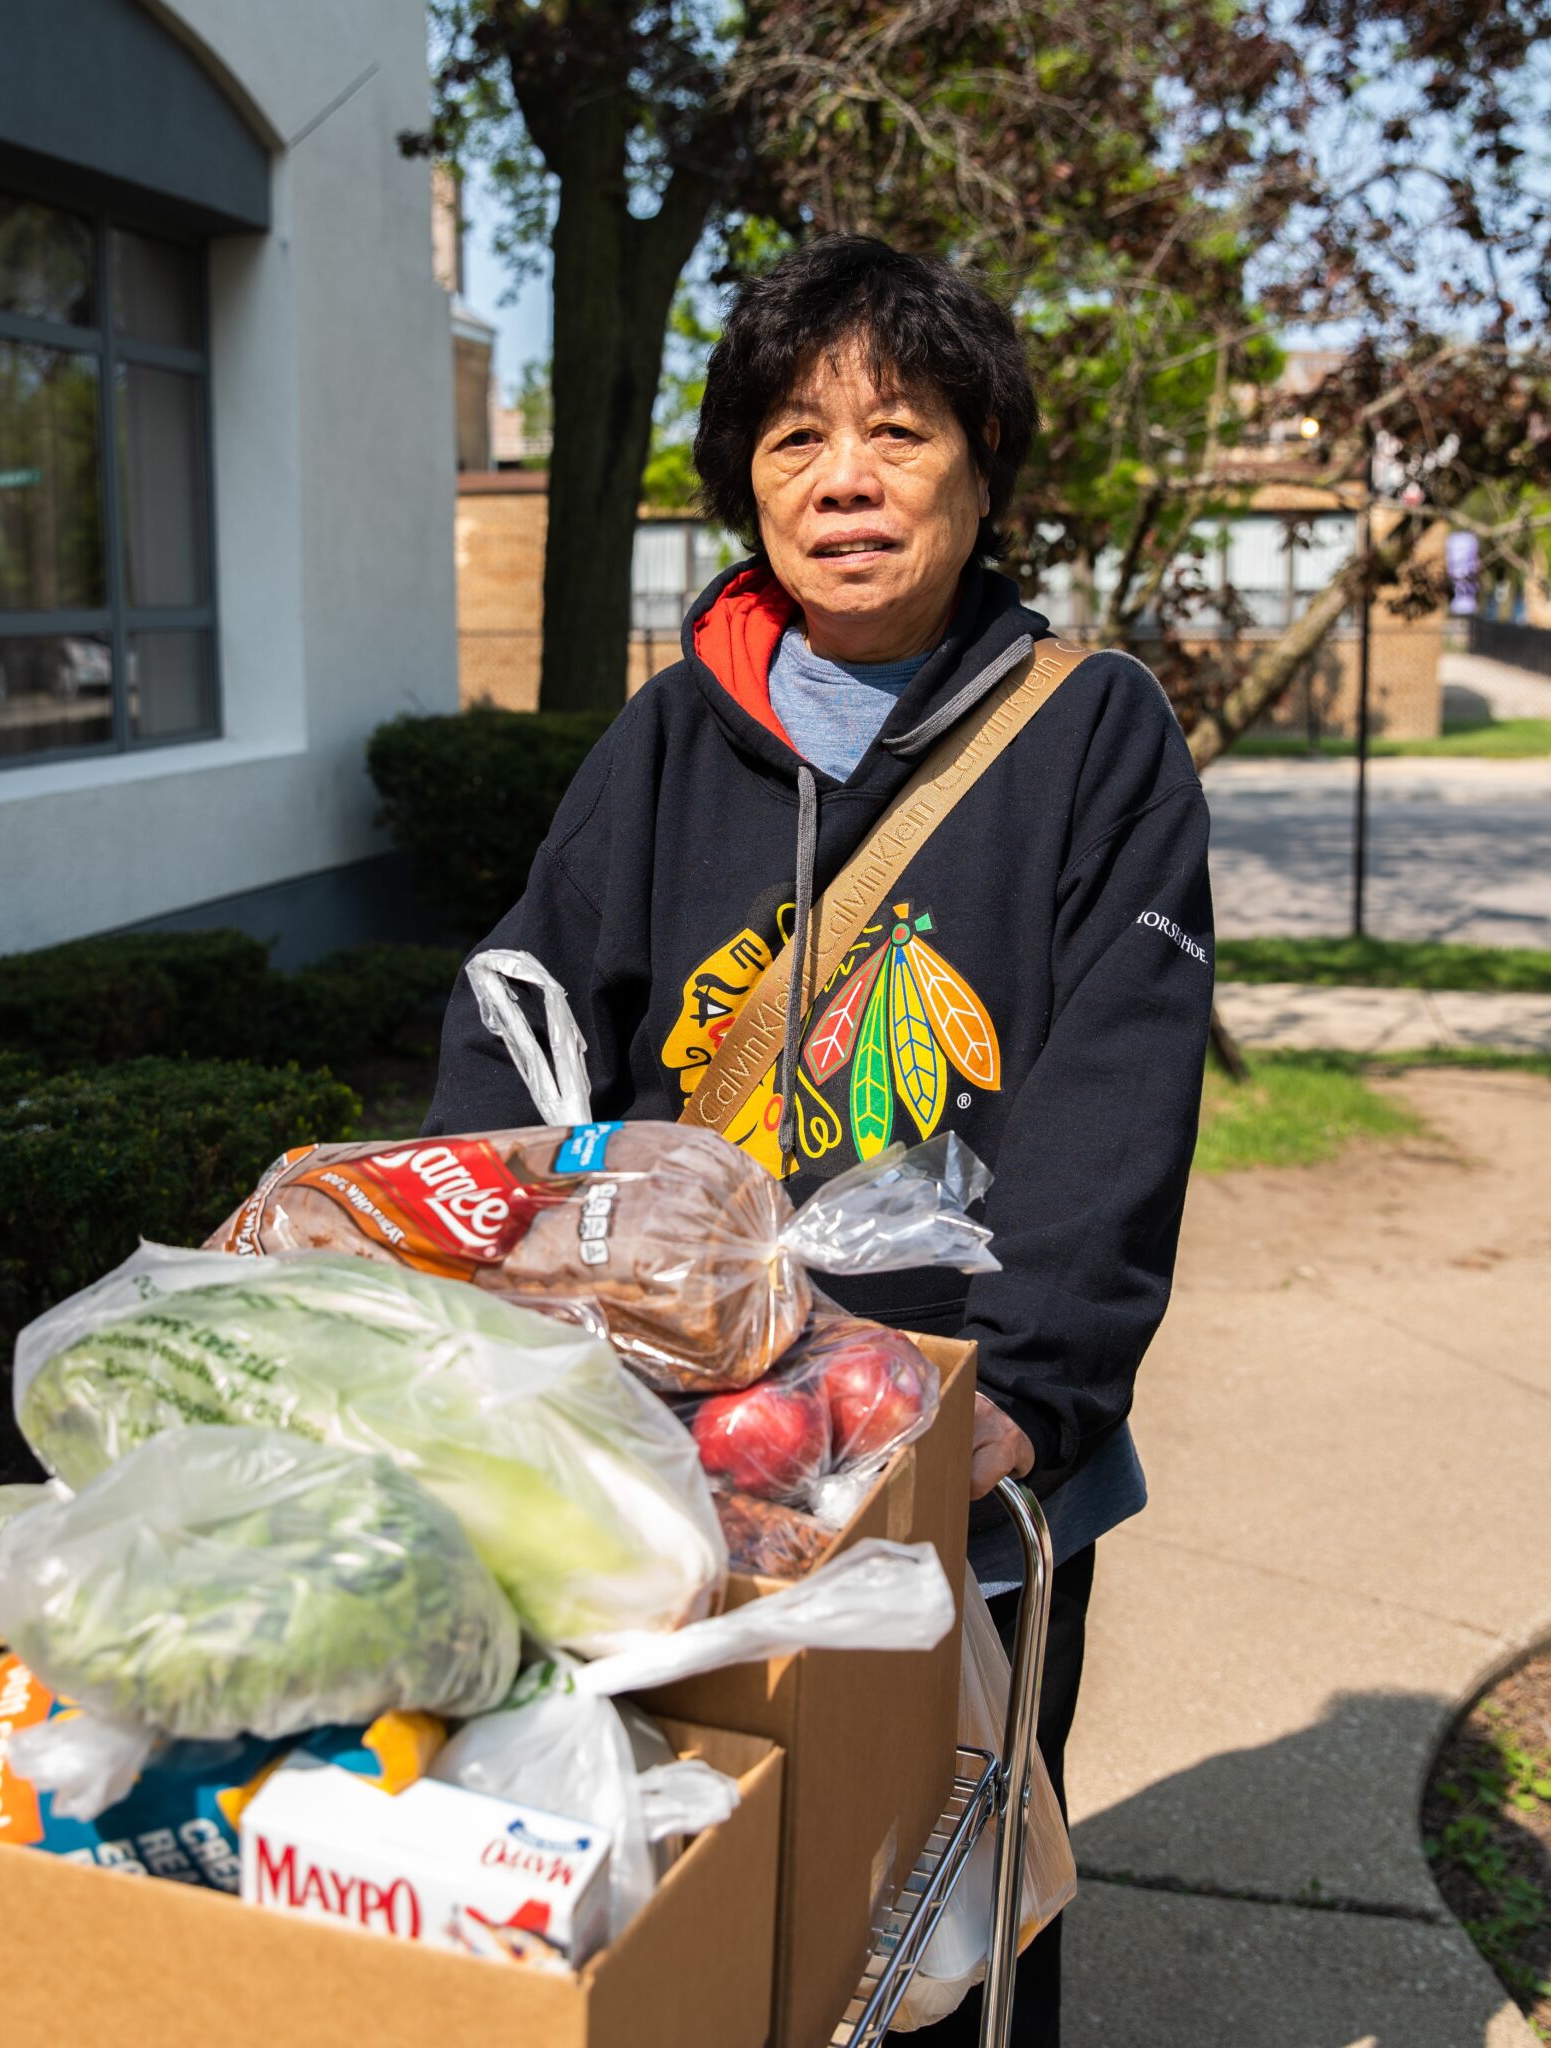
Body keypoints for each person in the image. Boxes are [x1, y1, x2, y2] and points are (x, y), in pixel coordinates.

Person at [425, 234, 1213, 2045]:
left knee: (949, 1885)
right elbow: (520, 1012)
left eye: (897, 429)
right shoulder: (667, 735)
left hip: (946, 1426)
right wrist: (466, 1283)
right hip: (675, 1427)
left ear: (981, 461)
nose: (843, 477)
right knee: (689, 1863)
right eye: (793, 438)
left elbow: (1122, 1076)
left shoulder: (1089, 731)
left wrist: (1022, 1390)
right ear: (743, 485)